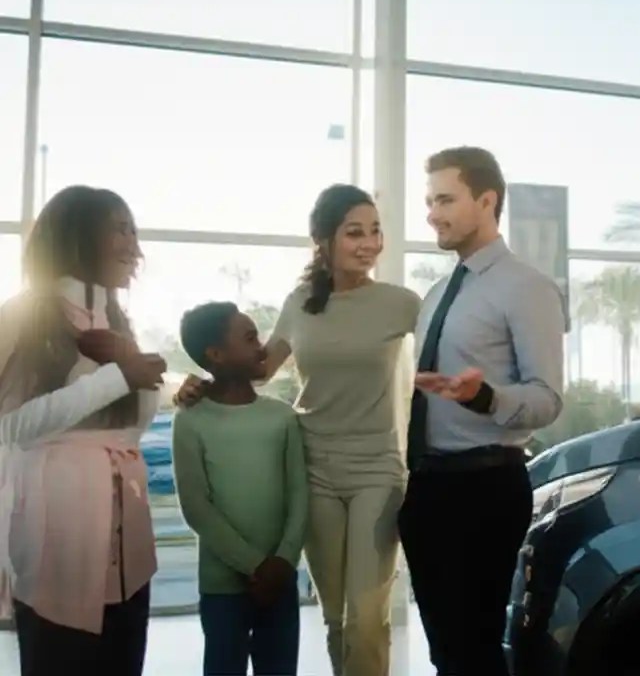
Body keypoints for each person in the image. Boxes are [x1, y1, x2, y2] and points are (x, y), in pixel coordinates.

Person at [176, 184, 421, 676]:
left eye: (376, 232)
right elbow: (257, 369)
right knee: (336, 617)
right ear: (322, 240)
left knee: (367, 617)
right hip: (315, 468)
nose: (369, 244)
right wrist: (191, 385)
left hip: (378, 468)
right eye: (355, 232)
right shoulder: (300, 302)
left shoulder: (401, 303)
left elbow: (447, 353)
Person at [400, 146, 566, 675]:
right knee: (446, 653)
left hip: (484, 489)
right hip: (424, 489)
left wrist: (486, 397)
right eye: (429, 201)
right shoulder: (435, 294)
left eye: (445, 199)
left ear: (487, 200)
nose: (432, 214)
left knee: (473, 652)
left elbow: (548, 398)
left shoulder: (528, 287)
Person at [0, 186, 167, 676]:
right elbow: (10, 424)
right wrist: (119, 376)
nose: (133, 244)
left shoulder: (115, 317)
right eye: (119, 228)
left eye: (133, 229)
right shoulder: (22, 315)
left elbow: (133, 426)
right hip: (57, 535)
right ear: (76, 235)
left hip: (127, 537)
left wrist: (130, 367)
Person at [172, 302, 308, 676]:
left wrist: (283, 561)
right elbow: (196, 507)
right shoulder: (191, 420)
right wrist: (256, 566)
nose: (261, 348)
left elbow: (299, 494)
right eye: (249, 339)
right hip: (223, 586)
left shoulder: (282, 417)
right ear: (215, 355)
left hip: (280, 578)